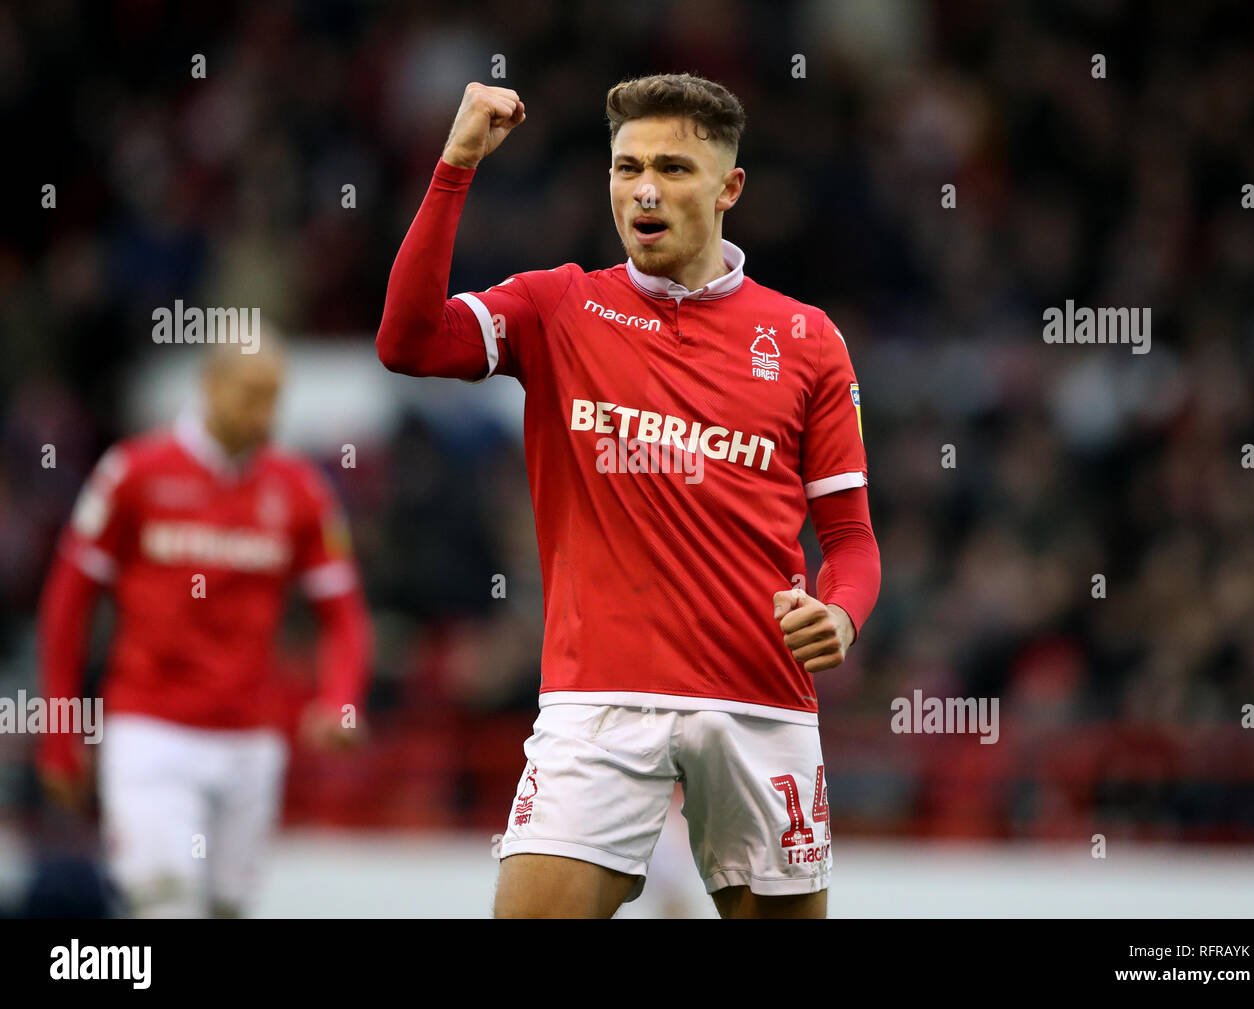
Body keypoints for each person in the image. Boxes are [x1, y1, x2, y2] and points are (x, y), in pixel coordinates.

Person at [377, 73, 880, 918]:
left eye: (674, 167)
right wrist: (456, 162)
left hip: (757, 701)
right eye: (626, 166)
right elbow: (408, 341)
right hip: (599, 702)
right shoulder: (558, 305)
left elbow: (851, 538)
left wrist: (841, 615)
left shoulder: (806, 338)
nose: (644, 187)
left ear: (730, 188)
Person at [36, 337, 371, 917]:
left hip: (251, 740)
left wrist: (340, 698)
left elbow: (344, 612)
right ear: (210, 386)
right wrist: (60, 728)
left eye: (274, 400)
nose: (264, 416)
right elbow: (68, 602)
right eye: (251, 397)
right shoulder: (134, 473)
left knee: (227, 908)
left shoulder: (300, 490)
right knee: (163, 902)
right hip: (150, 731)